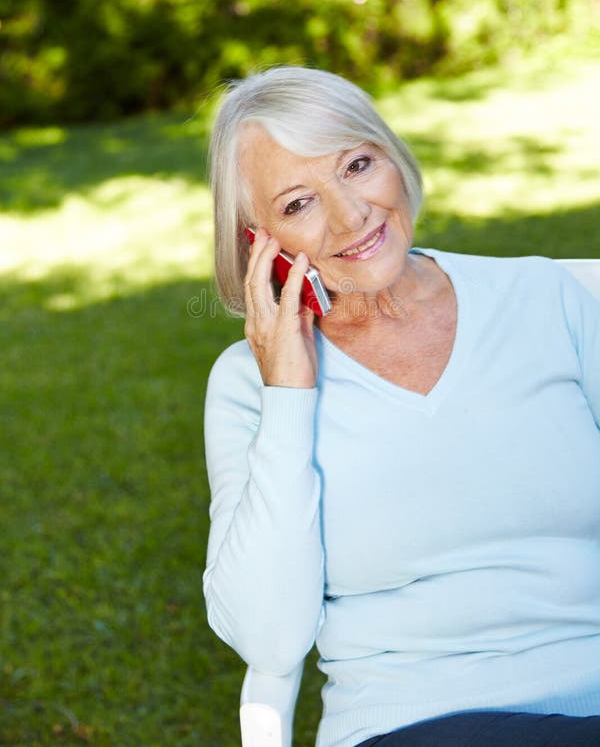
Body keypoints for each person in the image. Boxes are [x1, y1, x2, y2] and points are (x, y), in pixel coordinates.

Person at [202, 66, 600, 747]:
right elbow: (268, 638)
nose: (351, 214)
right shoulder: (249, 387)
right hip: (417, 721)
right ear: (256, 243)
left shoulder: (547, 298)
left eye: (357, 165)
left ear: (393, 155)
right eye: (299, 203)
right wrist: (288, 395)